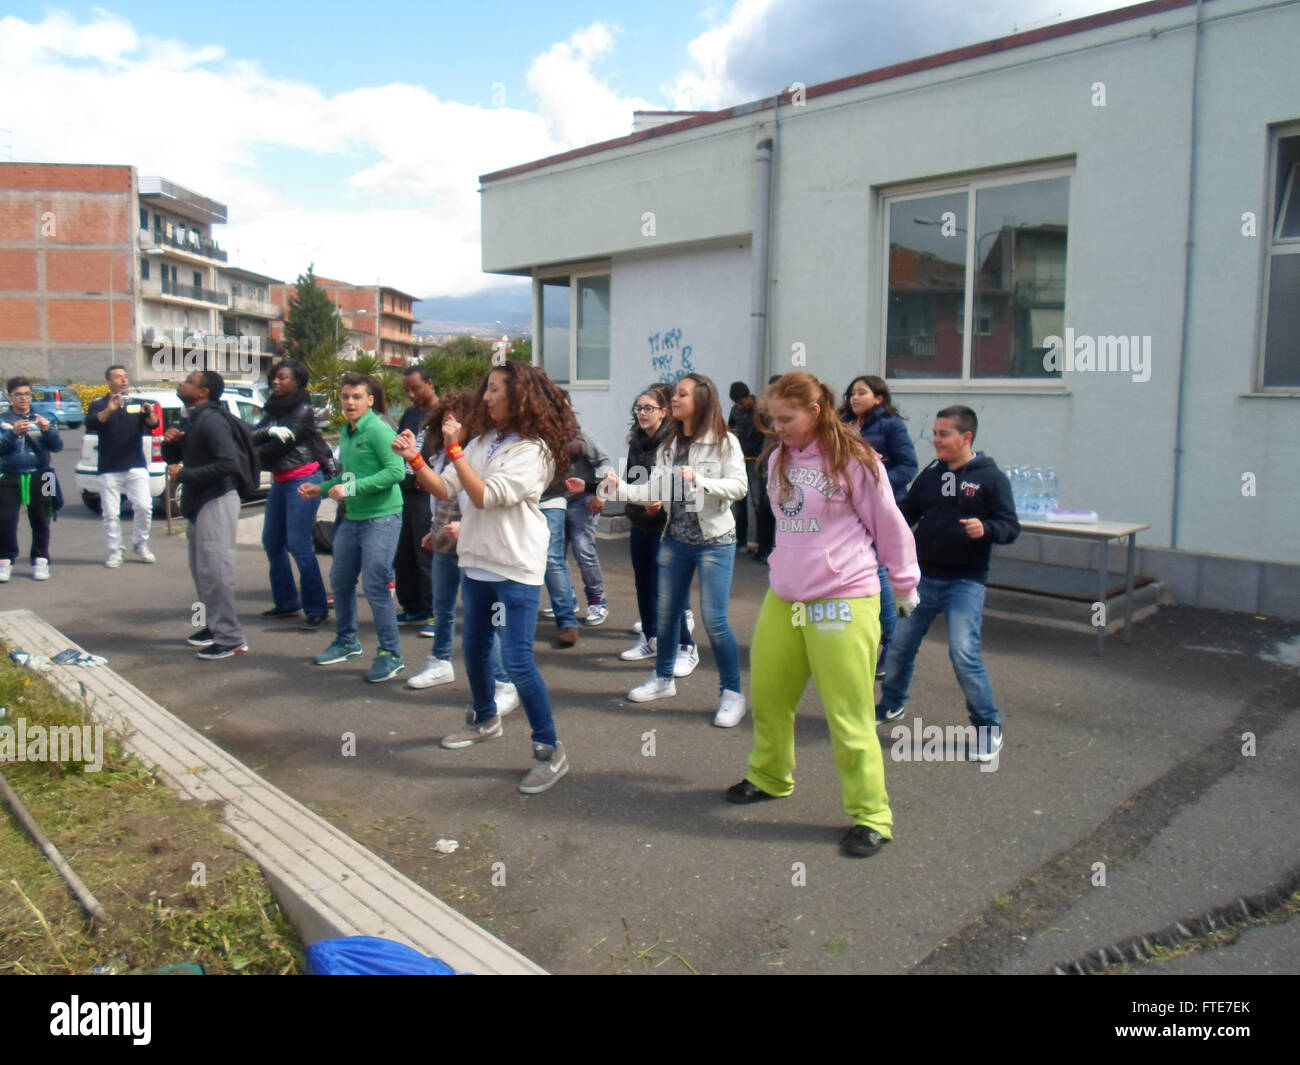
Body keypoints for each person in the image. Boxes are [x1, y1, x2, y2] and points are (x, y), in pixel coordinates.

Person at [725, 372, 920, 857]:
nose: (777, 427)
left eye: (787, 419)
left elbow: (888, 523)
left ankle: (872, 814)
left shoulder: (855, 458)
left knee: (848, 715)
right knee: (769, 698)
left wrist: (904, 582)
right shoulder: (778, 458)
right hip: (785, 597)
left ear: (815, 412)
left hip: (842, 596)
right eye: (772, 420)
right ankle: (769, 776)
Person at [393, 361, 572, 794]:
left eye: (494, 390)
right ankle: (484, 717)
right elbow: (443, 488)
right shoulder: (486, 440)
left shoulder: (535, 451)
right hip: (477, 562)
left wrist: (455, 449)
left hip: (514, 567)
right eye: (486, 389)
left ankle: (550, 750)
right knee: (473, 648)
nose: (485, 397)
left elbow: (485, 496)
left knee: (516, 661)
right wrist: (415, 457)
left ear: (520, 396)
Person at [876, 405, 1020, 763]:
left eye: (944, 434)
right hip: (924, 578)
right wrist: (878, 518)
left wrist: (986, 528)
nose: (936, 441)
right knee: (898, 648)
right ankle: (892, 704)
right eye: (935, 434)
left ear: (966, 437)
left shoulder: (990, 478)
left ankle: (988, 728)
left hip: (965, 583)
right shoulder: (932, 475)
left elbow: (1010, 527)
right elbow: (906, 510)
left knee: (964, 654)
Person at [604, 373, 749, 727]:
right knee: (667, 615)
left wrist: (701, 481)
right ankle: (663, 679)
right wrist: (618, 488)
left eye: (681, 394)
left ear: (701, 400)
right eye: (674, 396)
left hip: (715, 542)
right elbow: (654, 489)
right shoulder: (670, 445)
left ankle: (732, 693)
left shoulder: (724, 441)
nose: (675, 401)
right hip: (676, 540)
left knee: (715, 620)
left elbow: (740, 487)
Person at [403, 388, 519, 718]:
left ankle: (502, 681)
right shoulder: (447, 451)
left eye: (457, 419)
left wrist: (463, 528)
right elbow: (440, 494)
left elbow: (488, 499)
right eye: (446, 418)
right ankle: (440, 661)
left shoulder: (482, 452)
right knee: (442, 607)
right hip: (445, 541)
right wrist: (434, 531)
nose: (449, 424)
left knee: (482, 619)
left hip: (476, 545)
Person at [301, 372, 406, 683]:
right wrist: (319, 489)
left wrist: (353, 489)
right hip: (352, 519)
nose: (349, 402)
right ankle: (347, 641)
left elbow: (397, 471)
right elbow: (349, 478)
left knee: (375, 586)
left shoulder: (378, 429)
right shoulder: (347, 432)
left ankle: (391, 654)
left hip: (382, 518)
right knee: (341, 582)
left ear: (370, 400)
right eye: (346, 396)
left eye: (356, 397)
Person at [162, 370, 247, 660]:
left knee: (216, 571)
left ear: (203, 392)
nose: (181, 383)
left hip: (217, 499)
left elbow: (229, 464)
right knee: (202, 571)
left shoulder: (211, 420)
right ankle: (212, 627)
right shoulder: (191, 418)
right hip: (200, 502)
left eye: (188, 381)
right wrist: (170, 444)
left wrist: (184, 474)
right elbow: (177, 458)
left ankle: (230, 637)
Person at [840, 375, 918, 677]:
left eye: (862, 392)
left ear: (880, 398)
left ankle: (890, 640)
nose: (855, 397)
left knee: (880, 570)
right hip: (848, 509)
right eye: (852, 393)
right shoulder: (844, 424)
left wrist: (875, 482)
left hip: (880, 506)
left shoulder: (890, 425)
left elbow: (908, 466)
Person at [617, 384, 697, 675]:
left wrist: (662, 501)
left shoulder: (673, 442)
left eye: (649, 408)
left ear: (664, 412)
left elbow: (680, 482)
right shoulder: (637, 440)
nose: (642, 413)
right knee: (644, 583)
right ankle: (650, 637)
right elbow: (631, 481)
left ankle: (686, 647)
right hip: (640, 520)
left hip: (666, 524)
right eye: (639, 408)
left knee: (667, 589)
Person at [253, 358, 330, 629]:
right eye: (274, 377)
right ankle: (286, 603)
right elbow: (252, 434)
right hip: (281, 480)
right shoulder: (273, 410)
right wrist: (267, 430)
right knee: (272, 541)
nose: (275, 381)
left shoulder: (303, 410)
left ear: (297, 382)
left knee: (298, 545)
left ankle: (316, 607)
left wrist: (249, 454)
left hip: (303, 480)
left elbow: (276, 449)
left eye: (282, 377)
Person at [84, 364, 159, 567]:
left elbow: (153, 424)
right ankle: (115, 550)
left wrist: (150, 413)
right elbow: (91, 423)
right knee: (111, 513)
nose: (124, 380)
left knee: (144, 506)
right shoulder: (99, 404)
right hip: (109, 467)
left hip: (136, 464)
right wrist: (110, 409)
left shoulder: (137, 403)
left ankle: (140, 544)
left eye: (126, 376)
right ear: (109, 381)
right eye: (118, 377)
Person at [0, 377, 63, 582]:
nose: (23, 398)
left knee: (42, 518)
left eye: (27, 394)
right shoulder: (3, 420)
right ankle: (5, 560)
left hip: (43, 474)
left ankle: (41, 560)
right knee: (5, 520)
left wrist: (47, 430)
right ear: (10, 396)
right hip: (9, 473)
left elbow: (57, 446)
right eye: (18, 394)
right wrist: (13, 434)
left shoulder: (44, 416)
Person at [536, 400, 584, 648]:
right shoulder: (513, 415)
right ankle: (516, 619)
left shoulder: (559, 418)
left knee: (552, 558)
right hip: (520, 499)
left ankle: (567, 621)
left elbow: (579, 446)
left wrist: (549, 438)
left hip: (552, 497)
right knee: (521, 559)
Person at [394, 367, 438, 627]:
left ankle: (434, 610)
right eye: (407, 390)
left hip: (428, 491)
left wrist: (432, 476)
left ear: (430, 383)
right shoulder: (410, 414)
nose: (411, 394)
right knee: (404, 552)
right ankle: (412, 607)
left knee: (426, 552)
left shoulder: (446, 413)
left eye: (416, 388)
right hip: (406, 489)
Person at [563, 428, 615, 626]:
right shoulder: (539, 433)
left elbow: (604, 461)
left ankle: (597, 600)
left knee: (583, 548)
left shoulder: (579, 436)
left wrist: (601, 494)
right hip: (554, 501)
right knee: (553, 555)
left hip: (582, 500)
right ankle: (566, 599)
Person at [727, 382, 764, 551]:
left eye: (742, 402)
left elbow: (766, 434)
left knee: (758, 501)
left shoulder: (760, 410)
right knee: (739, 501)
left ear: (749, 397)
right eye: (737, 403)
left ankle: (759, 542)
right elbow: (730, 427)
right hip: (740, 460)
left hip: (757, 460)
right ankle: (740, 540)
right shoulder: (735, 411)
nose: (740, 406)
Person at [753, 373, 782, 563]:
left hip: (782, 471)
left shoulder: (786, 412)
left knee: (777, 513)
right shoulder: (767, 413)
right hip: (767, 467)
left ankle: (773, 550)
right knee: (764, 510)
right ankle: (763, 549)